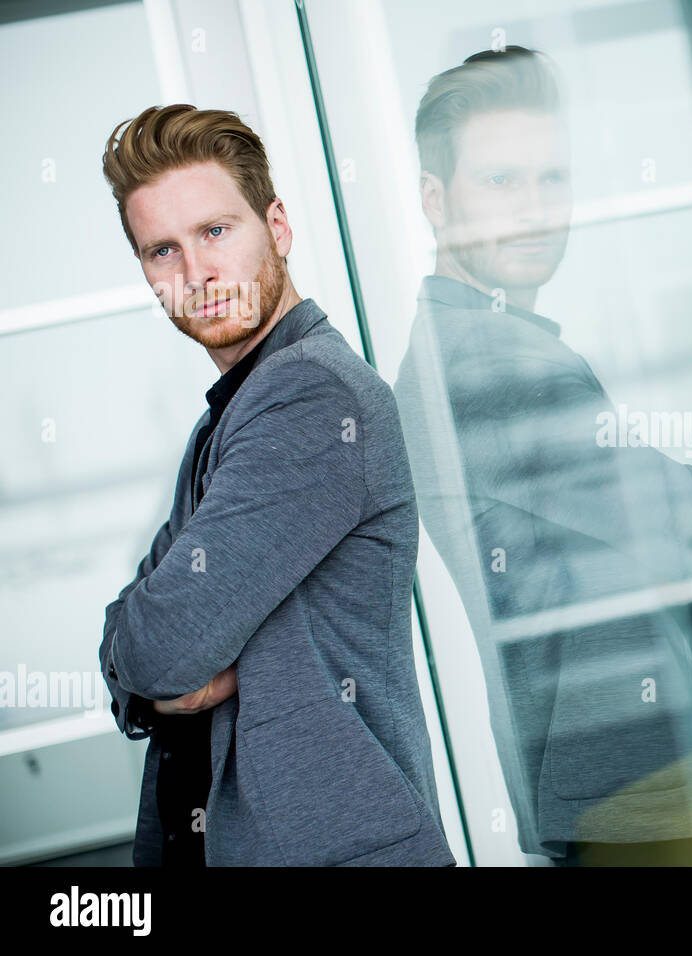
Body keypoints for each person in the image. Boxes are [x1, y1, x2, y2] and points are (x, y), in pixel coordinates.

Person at [393, 47, 692, 865]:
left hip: (616, 775)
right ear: (435, 200)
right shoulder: (496, 367)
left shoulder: (465, 348)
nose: (534, 209)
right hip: (645, 781)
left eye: (551, 179)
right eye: (500, 181)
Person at [97, 104, 455, 867]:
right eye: (163, 250)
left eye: (216, 232)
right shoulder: (227, 419)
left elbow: (157, 644)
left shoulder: (312, 398)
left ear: (278, 226)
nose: (197, 274)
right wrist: (156, 674)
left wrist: (156, 670)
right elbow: (136, 632)